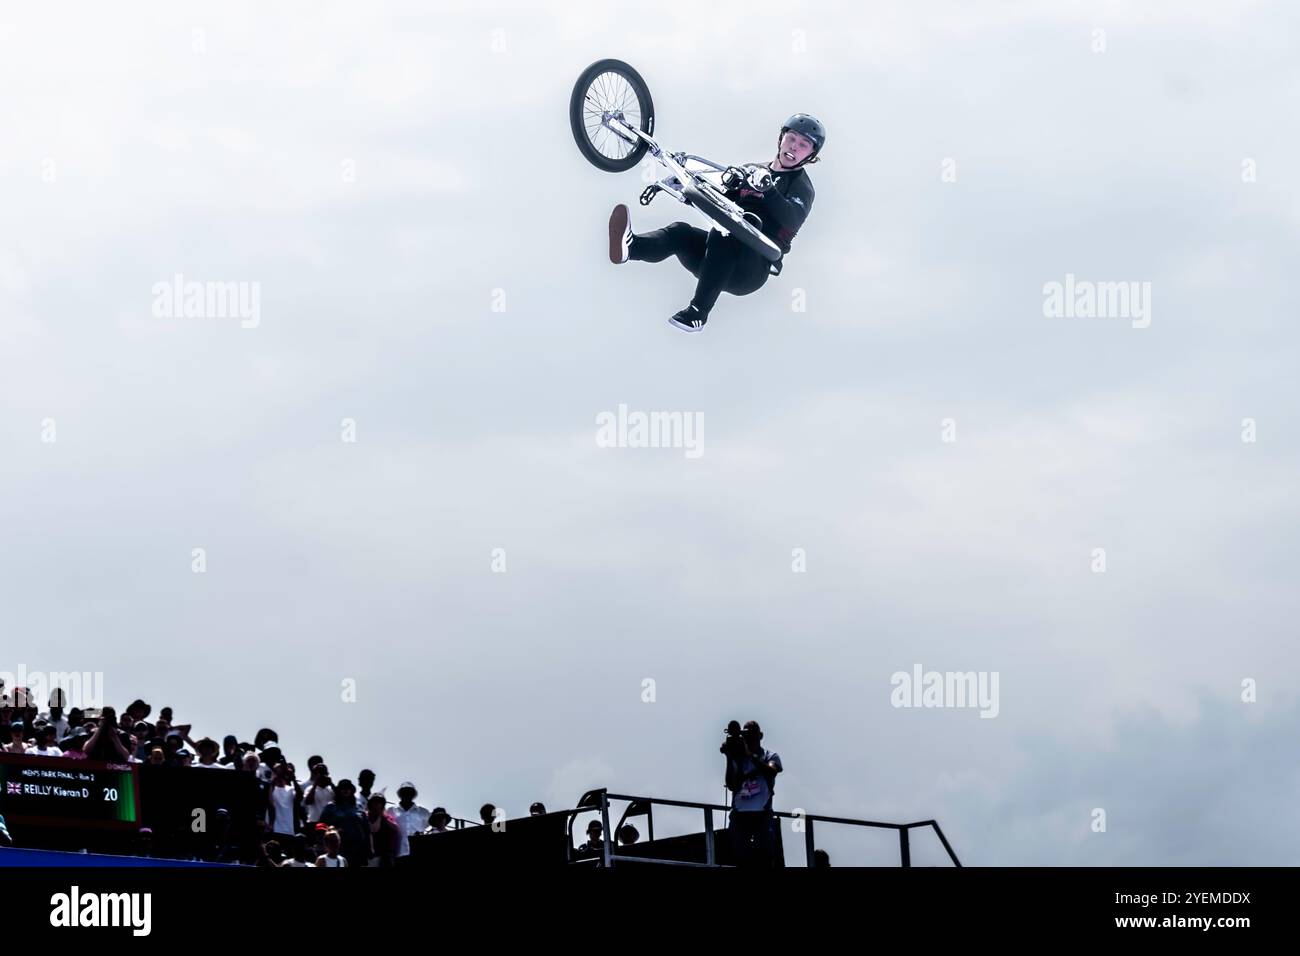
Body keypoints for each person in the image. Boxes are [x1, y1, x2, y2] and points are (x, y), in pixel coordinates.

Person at [609, 113, 823, 334]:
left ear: (811, 154)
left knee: (735, 227)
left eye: (803, 145)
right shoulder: (752, 169)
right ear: (781, 138)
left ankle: (698, 313)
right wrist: (685, 190)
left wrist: (768, 190)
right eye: (792, 138)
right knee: (680, 232)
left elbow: (791, 218)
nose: (794, 147)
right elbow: (720, 203)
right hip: (717, 259)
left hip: (751, 269)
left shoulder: (802, 187)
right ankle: (631, 248)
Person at [721, 720, 783, 868]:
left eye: (753, 734)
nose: (750, 738)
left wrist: (750, 755)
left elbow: (772, 771)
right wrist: (729, 757)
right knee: (739, 856)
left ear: (760, 735)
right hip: (740, 815)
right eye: (746, 734)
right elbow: (731, 784)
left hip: (762, 815)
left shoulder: (770, 756)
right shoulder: (739, 759)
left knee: (765, 854)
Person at [319, 779, 369, 868]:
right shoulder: (330, 807)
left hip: (357, 849)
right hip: (338, 848)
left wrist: (368, 849)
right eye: (343, 788)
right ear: (338, 791)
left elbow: (366, 830)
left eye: (348, 788)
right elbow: (320, 827)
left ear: (352, 790)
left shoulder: (359, 807)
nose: (346, 790)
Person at [391, 782, 430, 859]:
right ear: (400, 794)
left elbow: (434, 825)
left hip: (418, 853)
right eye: (404, 792)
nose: (407, 794)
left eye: (409, 792)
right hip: (397, 854)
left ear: (413, 794)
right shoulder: (391, 811)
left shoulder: (423, 812)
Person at [366, 794, 400, 867]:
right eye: (374, 802)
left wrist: (381, 816)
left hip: (384, 858)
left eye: (379, 803)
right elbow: (373, 830)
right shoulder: (364, 818)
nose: (377, 805)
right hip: (367, 857)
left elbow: (395, 829)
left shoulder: (387, 819)